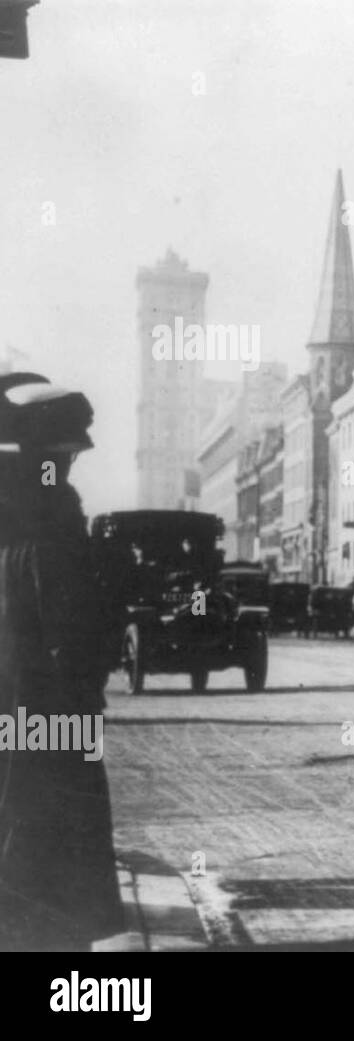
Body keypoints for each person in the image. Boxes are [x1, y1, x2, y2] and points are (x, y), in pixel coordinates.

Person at [0, 372, 123, 951]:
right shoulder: (52, 526)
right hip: (50, 706)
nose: (69, 465)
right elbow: (71, 636)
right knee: (55, 825)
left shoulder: (20, 513)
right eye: (64, 454)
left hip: (20, 704)